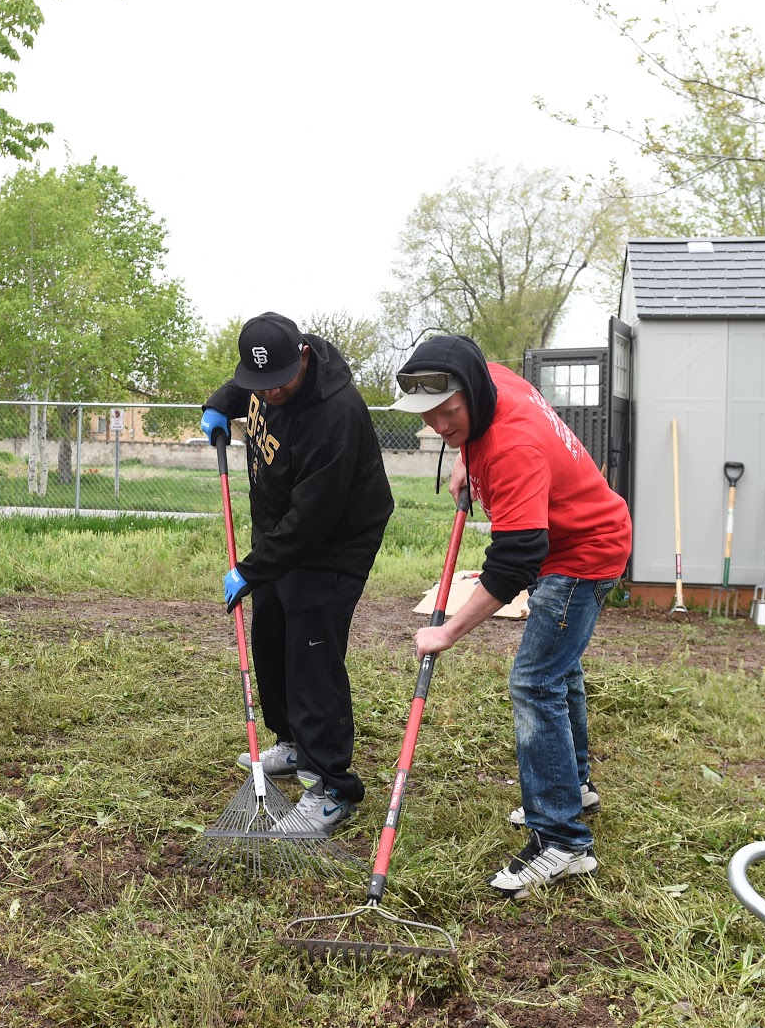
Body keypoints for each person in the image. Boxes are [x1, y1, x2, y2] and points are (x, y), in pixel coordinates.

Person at [391, 334, 630, 898]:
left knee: (534, 681)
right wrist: (464, 460)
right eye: (428, 415)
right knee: (559, 671)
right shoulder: (491, 379)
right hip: (576, 537)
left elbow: (513, 562)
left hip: (581, 554)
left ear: (471, 394)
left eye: (449, 413)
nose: (439, 425)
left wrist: (448, 630)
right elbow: (474, 426)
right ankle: (573, 787)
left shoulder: (510, 449)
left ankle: (562, 841)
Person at [200, 312, 394, 834]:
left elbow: (313, 519)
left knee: (311, 654)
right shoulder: (268, 378)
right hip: (279, 530)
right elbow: (246, 386)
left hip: (333, 542)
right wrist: (220, 403)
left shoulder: (335, 414)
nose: (270, 392)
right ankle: (292, 743)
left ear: (303, 356)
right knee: (271, 637)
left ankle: (333, 786)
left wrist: (250, 568)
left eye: (280, 382)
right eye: (260, 383)